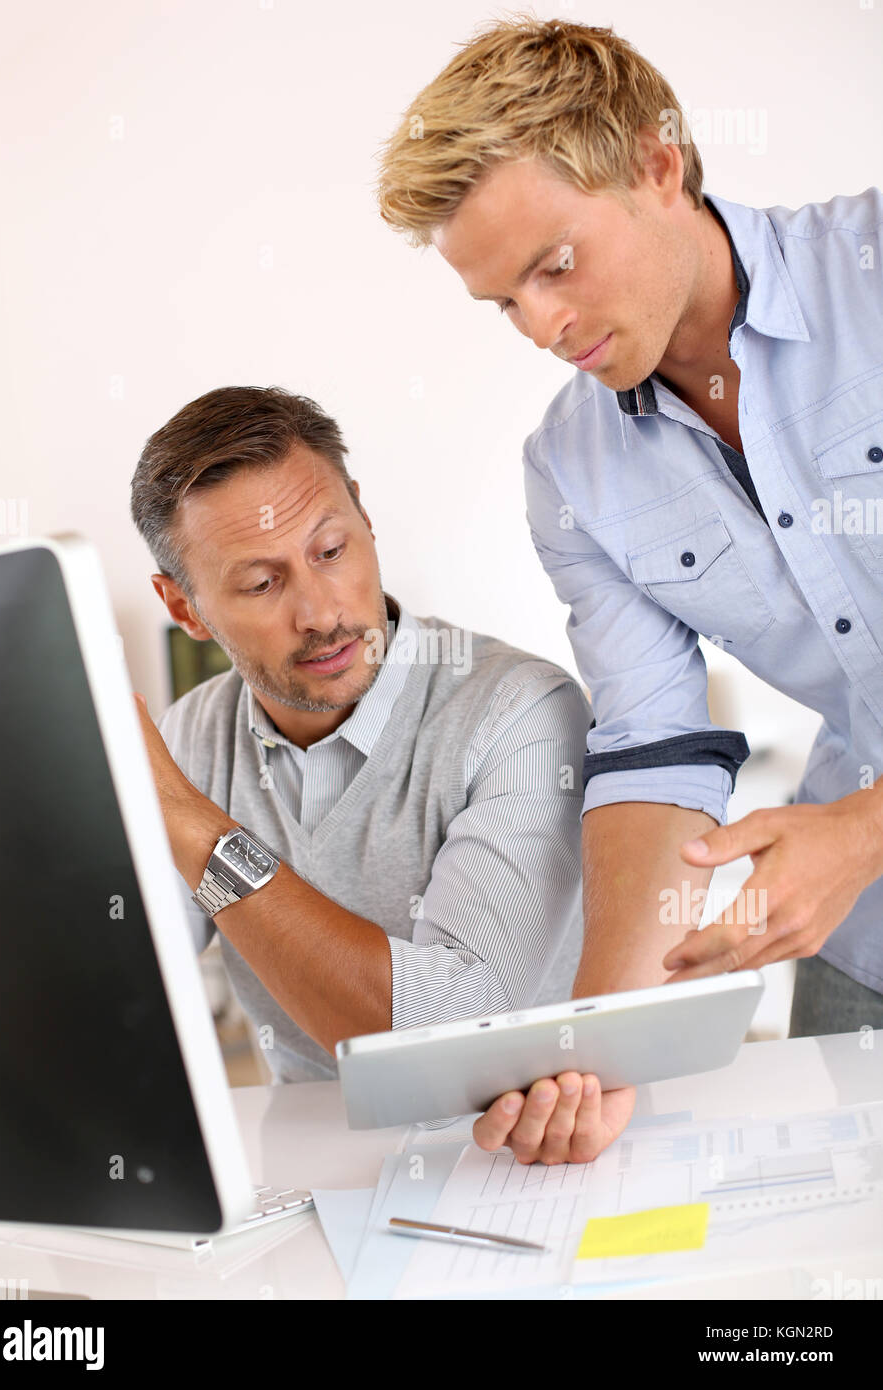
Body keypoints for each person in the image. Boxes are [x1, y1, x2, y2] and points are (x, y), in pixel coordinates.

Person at [376, 17, 883, 1161]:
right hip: (868, 957)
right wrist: (606, 1044)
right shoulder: (571, 472)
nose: (545, 326)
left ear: (660, 164)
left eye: (554, 265)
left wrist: (860, 830)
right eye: (505, 302)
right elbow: (653, 746)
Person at [128, 383, 632, 1160]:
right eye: (261, 584)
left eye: (331, 552)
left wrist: (189, 824)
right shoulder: (192, 736)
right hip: (320, 1172)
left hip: (530, 1166)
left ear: (364, 516)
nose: (321, 613)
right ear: (185, 609)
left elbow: (446, 1038)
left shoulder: (523, 714)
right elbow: (111, 974)